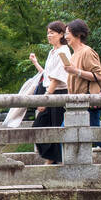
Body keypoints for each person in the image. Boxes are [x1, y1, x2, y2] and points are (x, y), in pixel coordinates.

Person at [63, 19, 101, 164]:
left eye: (67, 33)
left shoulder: (87, 52)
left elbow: (98, 76)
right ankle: (72, 165)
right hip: (76, 102)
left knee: (93, 135)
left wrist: (76, 71)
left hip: (88, 101)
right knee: (66, 133)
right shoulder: (74, 54)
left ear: (78, 34)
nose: (65, 36)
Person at [27, 21, 72, 163]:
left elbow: (57, 79)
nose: (49, 35)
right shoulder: (52, 51)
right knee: (39, 127)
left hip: (57, 94)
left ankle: (54, 161)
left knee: (54, 129)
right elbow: (48, 75)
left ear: (61, 34)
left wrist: (44, 100)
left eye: (52, 32)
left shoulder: (63, 51)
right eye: (48, 32)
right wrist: (36, 63)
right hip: (49, 92)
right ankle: (52, 159)